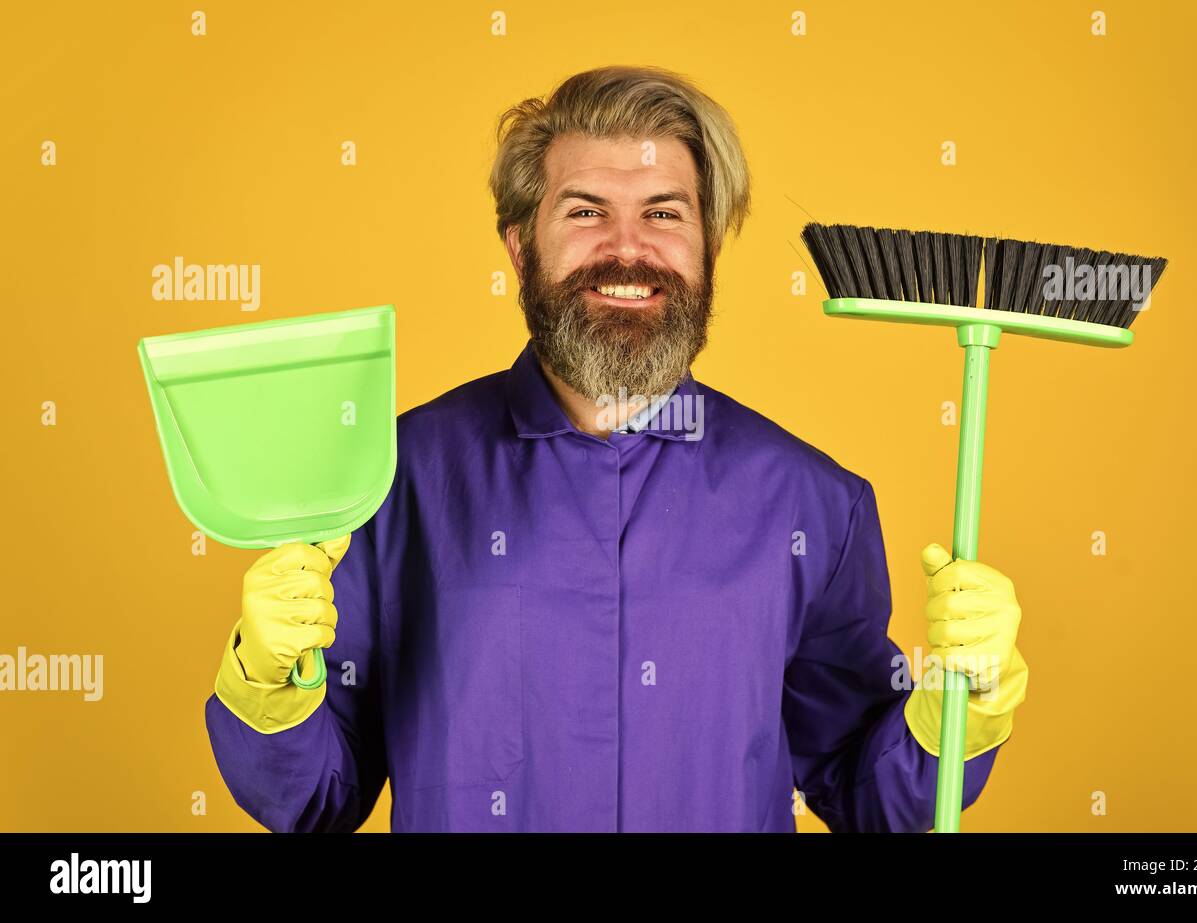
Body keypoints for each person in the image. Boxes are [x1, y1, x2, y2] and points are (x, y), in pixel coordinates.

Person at [205, 65, 1028, 833]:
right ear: (520, 247)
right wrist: (266, 678)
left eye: (665, 213)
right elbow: (315, 798)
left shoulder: (812, 503)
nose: (627, 248)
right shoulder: (391, 483)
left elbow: (868, 791)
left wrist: (963, 702)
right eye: (586, 210)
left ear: (709, 248)